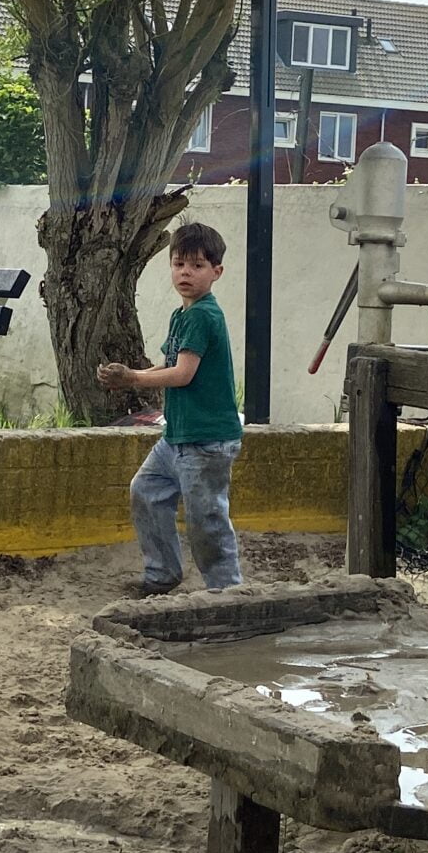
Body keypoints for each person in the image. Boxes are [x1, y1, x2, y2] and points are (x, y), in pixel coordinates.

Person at [98, 221, 244, 594]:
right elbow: (168, 366)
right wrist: (130, 375)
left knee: (206, 521)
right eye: (179, 264)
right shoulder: (182, 315)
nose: (186, 273)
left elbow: (182, 375)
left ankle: (227, 593)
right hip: (177, 435)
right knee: (146, 491)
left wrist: (130, 377)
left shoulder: (203, 315)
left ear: (216, 272)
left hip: (206, 440)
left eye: (196, 266)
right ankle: (162, 575)